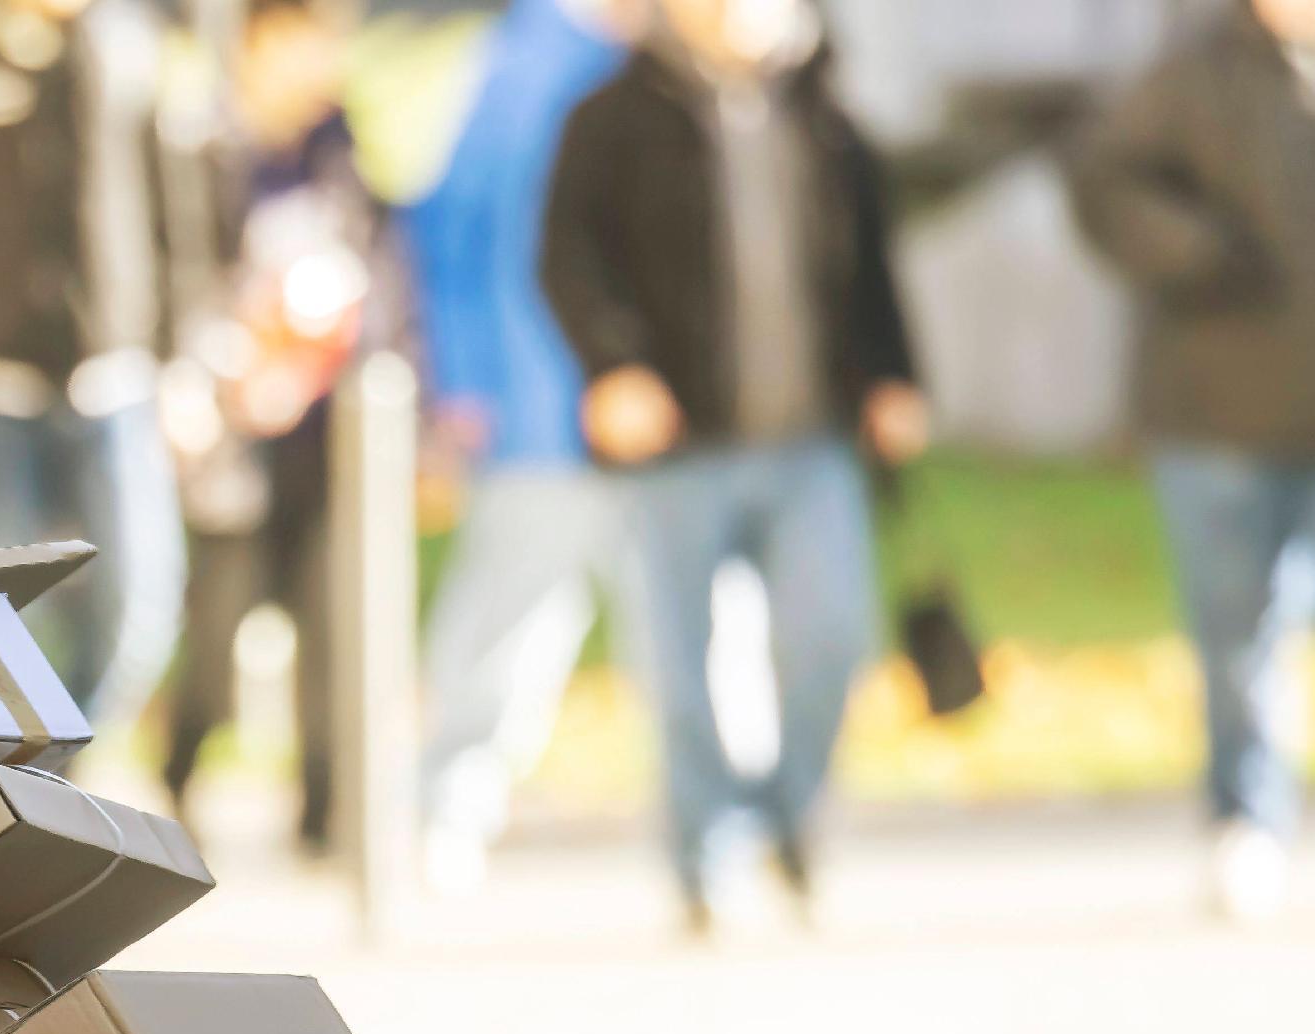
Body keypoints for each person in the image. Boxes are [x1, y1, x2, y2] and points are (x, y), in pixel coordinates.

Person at [541, 0, 925, 931]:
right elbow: (567, 256)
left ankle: (794, 820)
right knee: (681, 662)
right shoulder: (612, 116)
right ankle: (705, 852)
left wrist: (894, 377)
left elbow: (871, 263)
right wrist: (615, 367)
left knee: (831, 635)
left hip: (812, 441)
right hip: (680, 445)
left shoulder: (823, 111)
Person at [0, 0, 216, 732]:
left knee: (140, 606)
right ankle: (16, 784)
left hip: (115, 382)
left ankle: (54, 765)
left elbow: (174, 213)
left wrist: (184, 364)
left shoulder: (131, 47)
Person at [1072, 0, 1315, 925]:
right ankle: (1245, 822)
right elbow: (1104, 182)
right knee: (1239, 634)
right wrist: (1199, 253)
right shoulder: (1191, 73)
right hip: (1218, 408)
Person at [408, 0, 646, 894]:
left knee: (704, 628)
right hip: (540, 402)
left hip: (677, 420)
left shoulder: (684, 60)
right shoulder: (525, 62)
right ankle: (446, 808)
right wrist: (465, 380)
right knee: (509, 626)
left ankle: (728, 831)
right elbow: (452, 230)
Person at [159, 0, 398, 852]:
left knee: (333, 620)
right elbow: (181, 275)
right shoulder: (201, 147)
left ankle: (327, 811)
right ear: (258, 44)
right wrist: (235, 370)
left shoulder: (340, 150)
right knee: (218, 616)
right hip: (231, 424)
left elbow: (380, 271)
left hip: (328, 426)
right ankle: (181, 772)